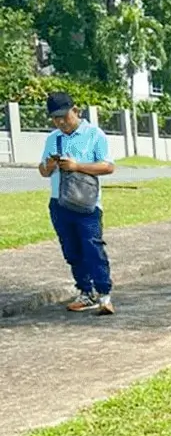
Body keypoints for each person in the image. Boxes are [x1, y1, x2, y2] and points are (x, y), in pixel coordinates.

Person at [38, 91, 116, 314]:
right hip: (59, 203)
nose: (61, 122)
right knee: (72, 251)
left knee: (93, 248)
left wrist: (76, 166)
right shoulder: (53, 138)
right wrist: (51, 165)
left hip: (87, 205)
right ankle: (85, 292)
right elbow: (43, 171)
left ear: (76, 111)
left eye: (64, 116)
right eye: (55, 118)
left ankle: (104, 295)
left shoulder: (94, 135)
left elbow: (108, 166)